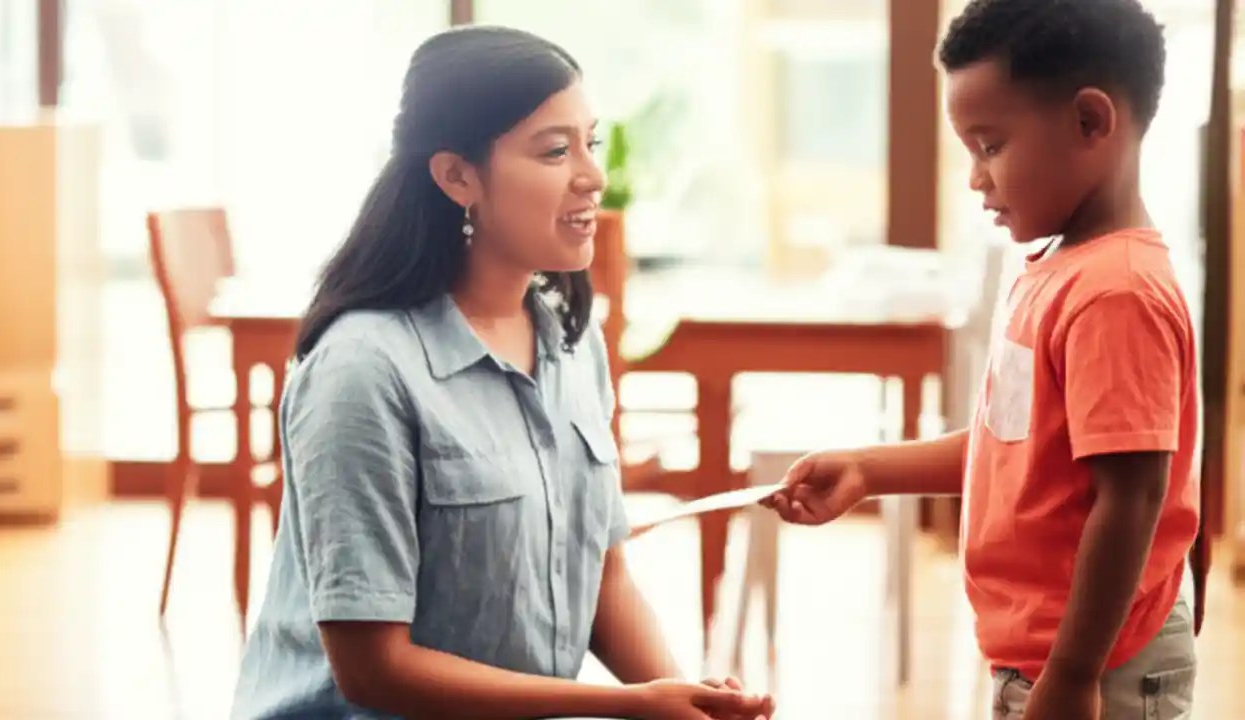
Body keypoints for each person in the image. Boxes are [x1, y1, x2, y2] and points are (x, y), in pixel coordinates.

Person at [230, 25, 773, 720]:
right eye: (555, 151)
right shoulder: (362, 371)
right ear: (457, 176)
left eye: (590, 143)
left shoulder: (572, 342)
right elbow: (373, 670)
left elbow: (602, 578)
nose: (592, 176)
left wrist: (684, 703)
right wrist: (629, 706)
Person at [763, 1, 1200, 718]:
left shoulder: (1116, 293)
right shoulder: (1063, 270)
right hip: (1053, 656)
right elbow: (1018, 451)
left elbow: (1133, 497)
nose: (975, 177)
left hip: (1100, 668)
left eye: (990, 147)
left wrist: (1072, 676)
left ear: (1090, 122)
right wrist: (869, 470)